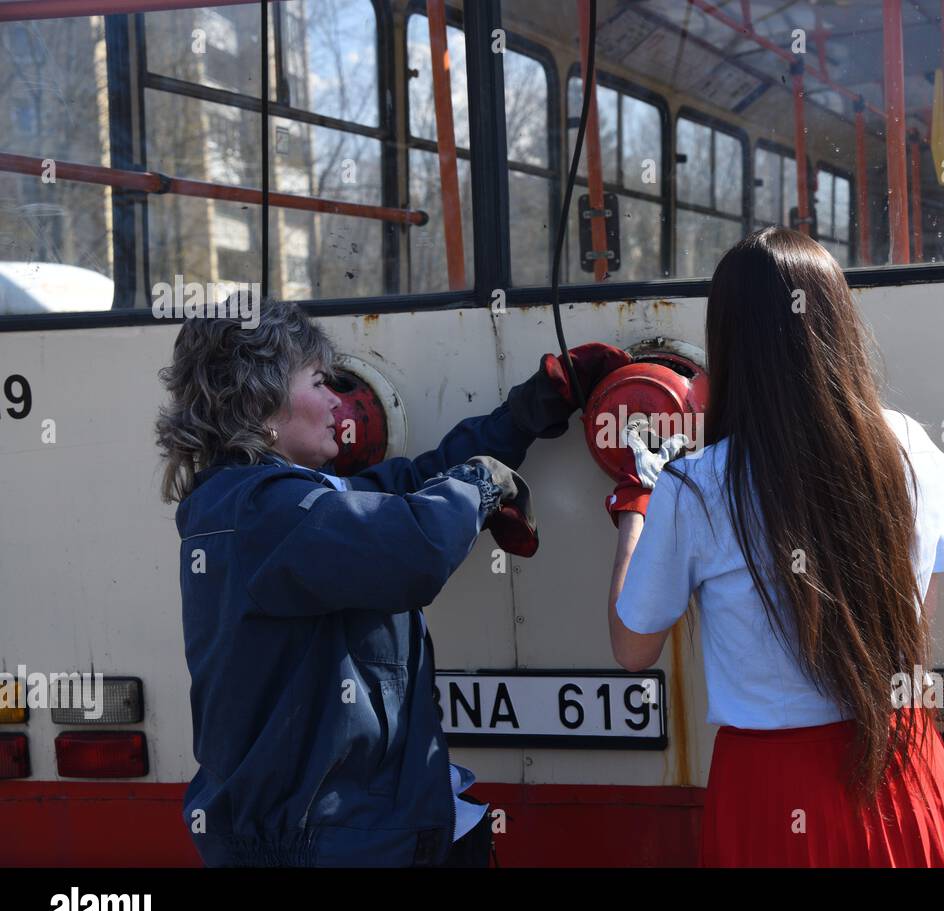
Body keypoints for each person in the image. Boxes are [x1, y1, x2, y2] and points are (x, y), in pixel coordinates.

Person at [155, 299, 629, 866]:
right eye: (318, 382)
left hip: (352, 834)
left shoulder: (259, 504)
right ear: (263, 404)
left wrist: (528, 412)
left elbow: (405, 487)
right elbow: (412, 546)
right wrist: (482, 485)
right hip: (332, 845)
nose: (338, 399)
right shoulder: (270, 513)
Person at [603, 227, 944, 867]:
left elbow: (631, 647)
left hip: (775, 796)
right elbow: (917, 611)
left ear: (729, 344)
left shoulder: (694, 489)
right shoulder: (914, 448)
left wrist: (634, 506)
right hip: (903, 767)